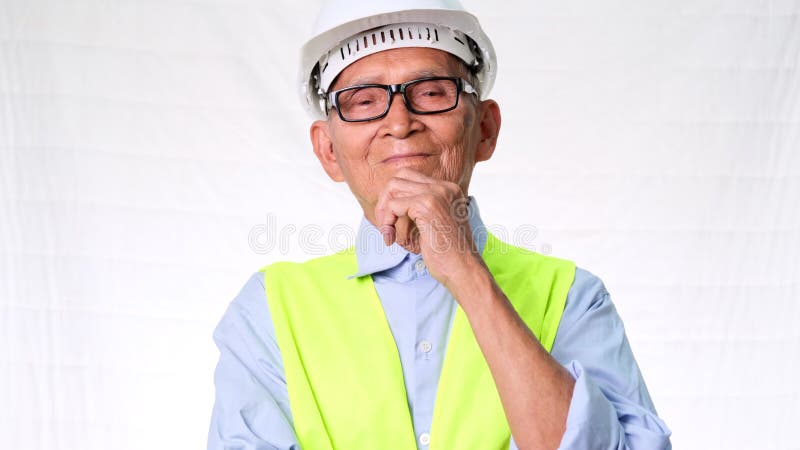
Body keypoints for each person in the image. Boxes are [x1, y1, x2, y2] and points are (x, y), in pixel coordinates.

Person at [207, 1, 672, 449]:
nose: (399, 122)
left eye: (430, 92)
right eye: (363, 101)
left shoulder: (571, 298)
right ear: (328, 149)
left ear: (485, 129)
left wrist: (468, 274)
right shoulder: (268, 313)